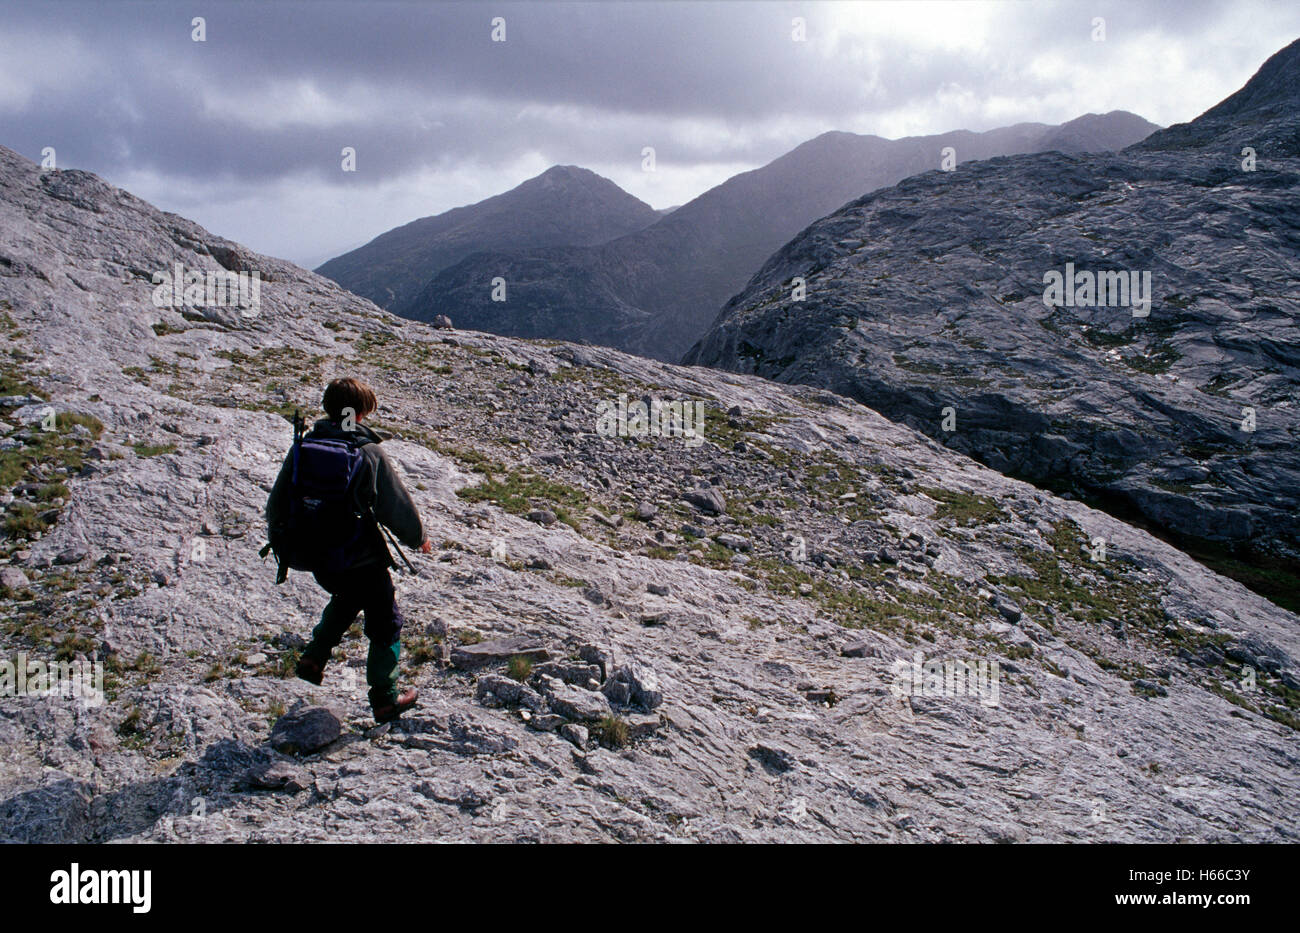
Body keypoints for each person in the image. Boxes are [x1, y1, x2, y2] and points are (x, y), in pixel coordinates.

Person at [265, 377, 431, 723]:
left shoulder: (304, 446)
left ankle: (313, 658)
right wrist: (418, 538)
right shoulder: (366, 452)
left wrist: (285, 541)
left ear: (330, 408)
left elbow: (277, 503)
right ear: (360, 413)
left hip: (316, 555)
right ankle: (385, 699)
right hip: (359, 555)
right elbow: (394, 505)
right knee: (386, 620)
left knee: (347, 597)